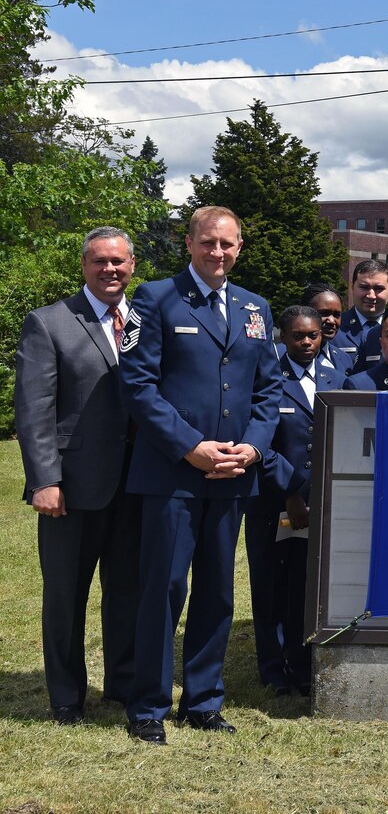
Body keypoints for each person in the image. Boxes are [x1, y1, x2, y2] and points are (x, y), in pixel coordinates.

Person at [119, 206, 282, 744]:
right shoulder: (154, 299)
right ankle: (147, 706)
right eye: (208, 243)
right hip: (173, 473)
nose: (217, 253)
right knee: (164, 587)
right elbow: (138, 385)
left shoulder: (254, 307)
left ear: (240, 248)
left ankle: (204, 700)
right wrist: (190, 447)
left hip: (232, 473)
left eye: (227, 244)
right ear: (188, 243)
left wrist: (253, 450)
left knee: (217, 590)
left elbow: (267, 391)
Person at [14, 226, 141, 725]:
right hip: (71, 486)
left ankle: (123, 683)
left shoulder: (144, 320)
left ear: (132, 265)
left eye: (119, 261)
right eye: (99, 262)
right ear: (84, 266)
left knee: (128, 589)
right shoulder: (49, 323)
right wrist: (45, 480)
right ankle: (66, 695)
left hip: (137, 484)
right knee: (66, 596)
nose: (110, 270)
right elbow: (34, 411)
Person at [243, 305, 337, 696]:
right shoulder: (266, 377)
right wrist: (291, 494)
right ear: (282, 337)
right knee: (270, 586)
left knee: (305, 587)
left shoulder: (338, 376)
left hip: (324, 501)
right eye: (297, 336)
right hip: (274, 500)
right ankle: (272, 669)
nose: (306, 342)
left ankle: (301, 667)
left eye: (313, 335)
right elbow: (259, 442)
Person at [338, 259, 388, 373]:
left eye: (379, 289)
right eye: (364, 287)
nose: (371, 295)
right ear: (352, 287)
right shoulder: (336, 328)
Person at [300, 282, 352, 375]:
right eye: (324, 313)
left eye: (337, 315)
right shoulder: (281, 356)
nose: (331, 321)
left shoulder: (345, 359)